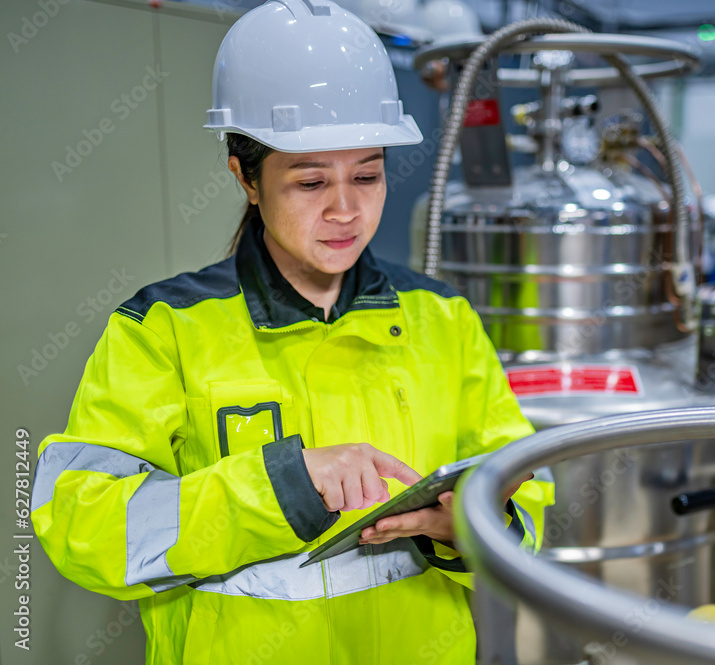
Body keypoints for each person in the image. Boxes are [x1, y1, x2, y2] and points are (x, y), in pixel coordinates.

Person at [31, 1, 552, 663]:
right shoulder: (162, 331)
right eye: (310, 181)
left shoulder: (443, 319)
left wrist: (475, 525)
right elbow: (83, 525)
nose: (345, 209)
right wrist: (281, 486)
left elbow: (525, 492)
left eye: (368, 174)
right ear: (244, 177)